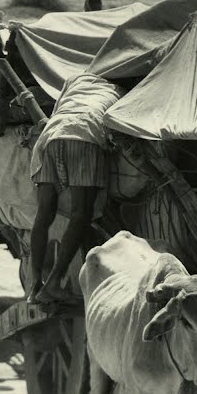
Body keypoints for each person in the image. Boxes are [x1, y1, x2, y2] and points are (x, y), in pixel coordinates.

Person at [28, 72, 123, 304]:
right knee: (81, 213)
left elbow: (57, 108)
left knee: (44, 212)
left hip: (51, 135)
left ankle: (34, 285)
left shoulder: (76, 79)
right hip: (85, 135)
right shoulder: (120, 91)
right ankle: (54, 282)